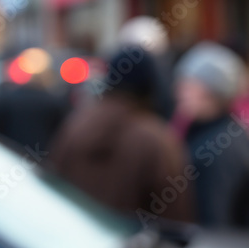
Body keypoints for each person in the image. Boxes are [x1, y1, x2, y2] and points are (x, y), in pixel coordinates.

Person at [49, 47, 195, 223]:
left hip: (76, 243)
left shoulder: (76, 124)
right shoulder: (157, 141)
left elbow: (54, 188)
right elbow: (175, 219)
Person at [173, 40, 249, 228]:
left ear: (212, 92)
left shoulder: (220, 149)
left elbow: (215, 223)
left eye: (189, 86)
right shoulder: (210, 131)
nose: (179, 92)